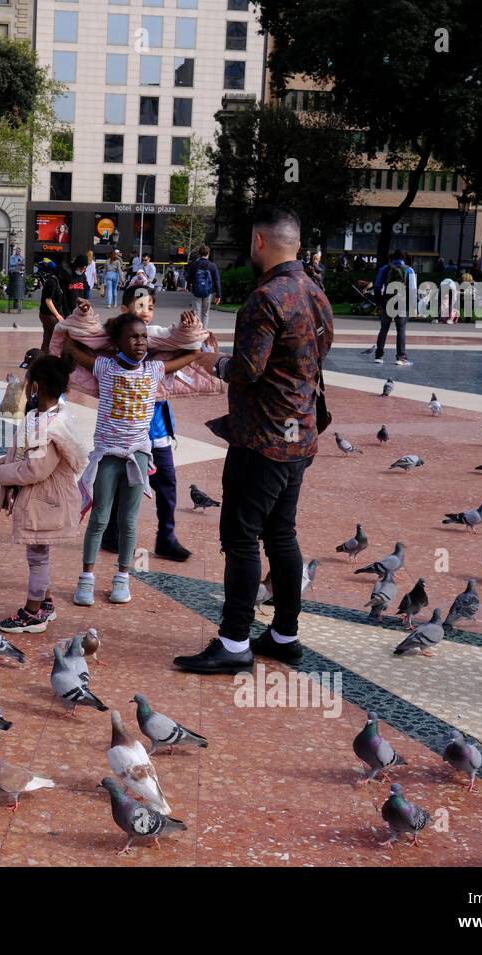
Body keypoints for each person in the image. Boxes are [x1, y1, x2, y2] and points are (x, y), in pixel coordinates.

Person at [174, 204, 333, 674]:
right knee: (281, 533)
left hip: (261, 439)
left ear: (259, 242)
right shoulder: (314, 291)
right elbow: (315, 351)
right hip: (300, 435)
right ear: (297, 244)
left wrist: (212, 363)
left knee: (241, 537)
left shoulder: (265, 298)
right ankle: (285, 634)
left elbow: (248, 370)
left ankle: (235, 641)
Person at [65, 305, 201, 605]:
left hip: (138, 456)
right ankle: (86, 579)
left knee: (129, 521)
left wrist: (188, 327)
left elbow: (192, 353)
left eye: (143, 337)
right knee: (99, 518)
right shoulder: (105, 366)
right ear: (116, 343)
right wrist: (82, 316)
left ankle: (122, 579)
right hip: (107, 456)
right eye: (133, 337)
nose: (141, 342)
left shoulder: (153, 369)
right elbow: (71, 346)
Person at [0, 352, 86, 634]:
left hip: (43, 501)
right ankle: (46, 603)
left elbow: (34, 470)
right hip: (45, 500)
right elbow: (24, 456)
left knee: (37, 556)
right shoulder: (48, 417)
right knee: (40, 553)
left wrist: (0, 472)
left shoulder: (45, 426)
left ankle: (33, 612)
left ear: (34, 386)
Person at [98, 284, 198, 563]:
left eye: (150, 307)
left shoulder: (160, 340)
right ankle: (112, 536)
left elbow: (186, 345)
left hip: (158, 429)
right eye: (139, 306)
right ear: (123, 311)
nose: (145, 312)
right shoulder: (114, 347)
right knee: (122, 485)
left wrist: (187, 328)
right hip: (127, 434)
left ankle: (166, 538)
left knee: (167, 485)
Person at [372, 249, 416, 366]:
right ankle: (401, 357)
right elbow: (412, 290)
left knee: (383, 330)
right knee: (401, 330)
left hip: (387, 302)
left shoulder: (385, 269)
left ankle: (379, 356)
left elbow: (377, 286)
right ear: (404, 258)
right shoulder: (409, 270)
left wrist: (379, 302)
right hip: (402, 304)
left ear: (393, 257)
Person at [37, 258, 66, 353]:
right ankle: (55, 357)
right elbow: (48, 301)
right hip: (48, 314)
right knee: (62, 335)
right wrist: (58, 316)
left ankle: (43, 357)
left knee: (48, 337)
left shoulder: (56, 281)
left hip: (47, 314)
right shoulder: (52, 282)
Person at [188, 244, 219, 324]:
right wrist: (218, 295)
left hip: (196, 292)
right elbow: (217, 280)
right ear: (208, 253)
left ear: (199, 253)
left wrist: (190, 288)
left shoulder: (194, 265)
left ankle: (197, 332)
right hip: (208, 292)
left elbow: (189, 279)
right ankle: (204, 332)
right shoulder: (212, 266)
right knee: (205, 314)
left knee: (196, 314)